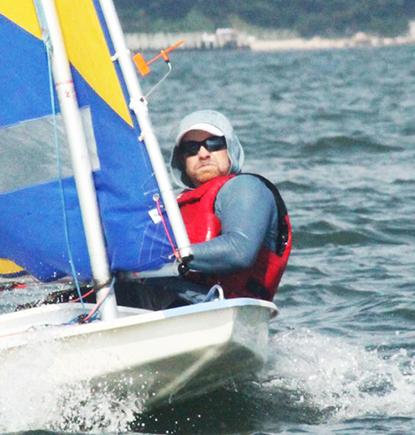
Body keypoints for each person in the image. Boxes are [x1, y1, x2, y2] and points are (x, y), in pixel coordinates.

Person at [120, 109, 291, 309]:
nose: (203, 154)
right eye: (191, 148)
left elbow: (239, 251)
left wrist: (165, 256)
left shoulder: (247, 187)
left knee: (120, 295)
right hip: (169, 299)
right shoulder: (175, 205)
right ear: (181, 160)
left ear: (230, 149)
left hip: (221, 308)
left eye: (214, 144)